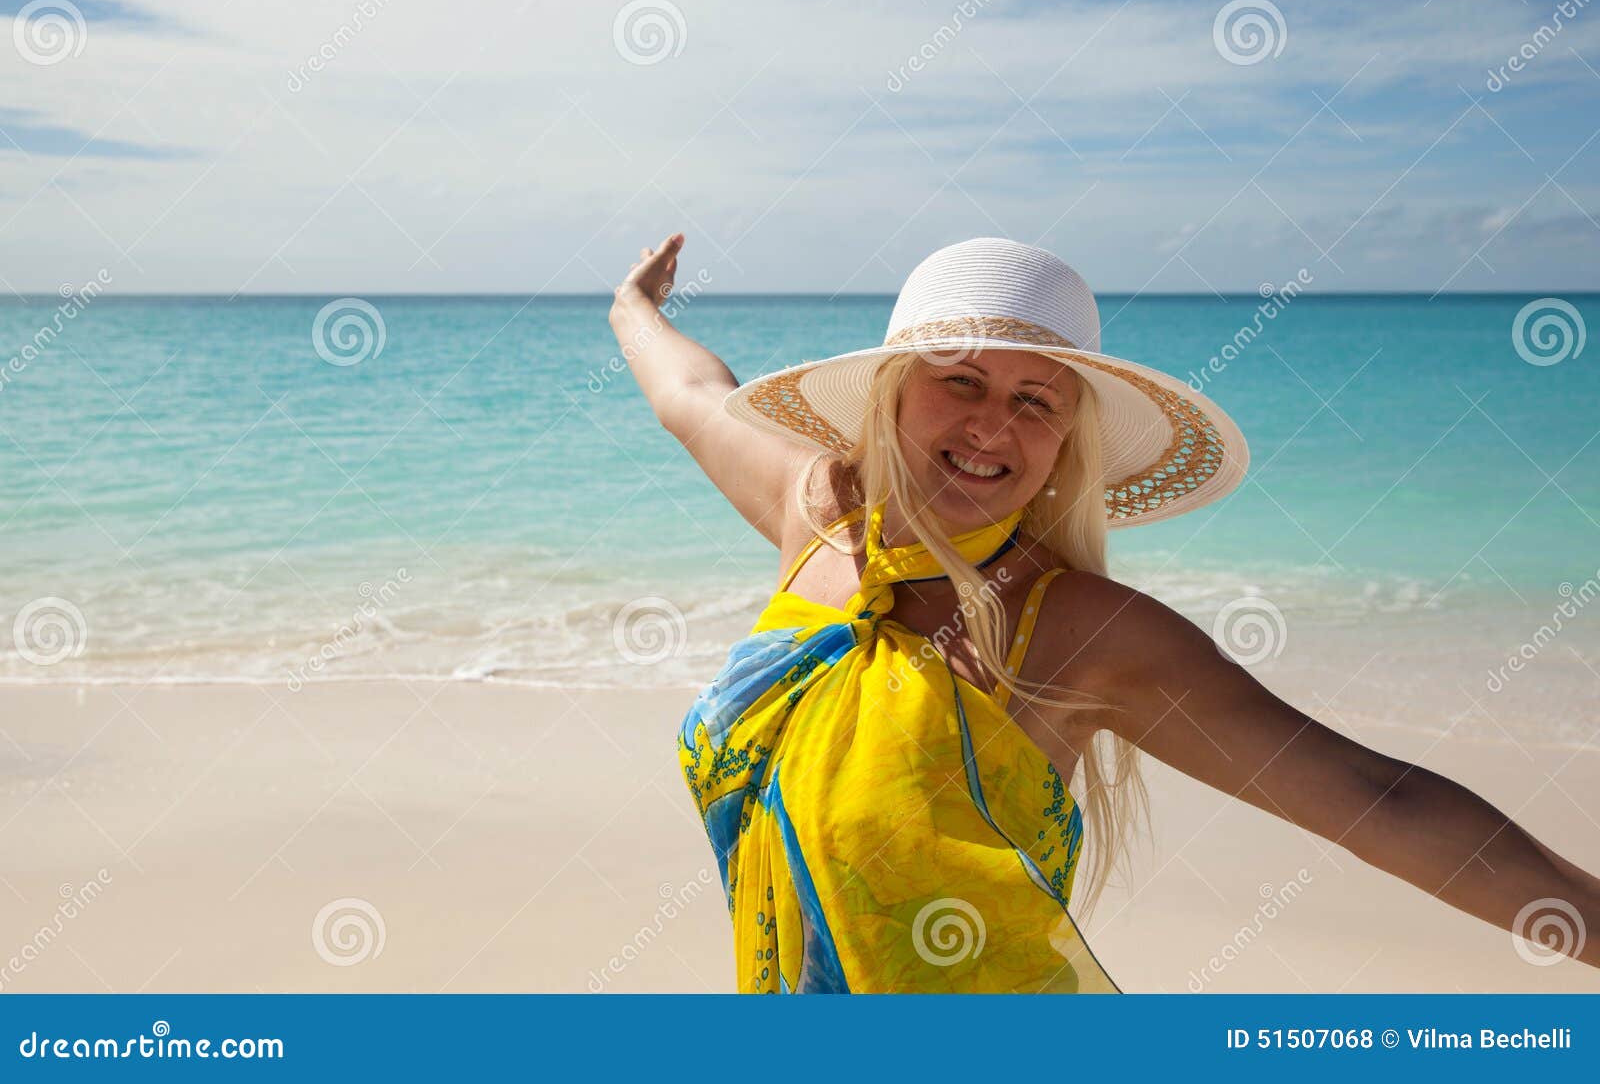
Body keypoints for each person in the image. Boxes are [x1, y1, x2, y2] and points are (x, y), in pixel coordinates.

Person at [608, 232, 1600, 993]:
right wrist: (630, 307)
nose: (993, 423)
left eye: (1037, 400)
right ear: (888, 393)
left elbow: (1374, 797)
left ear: (1068, 440)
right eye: (960, 380)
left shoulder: (1073, 628)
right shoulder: (817, 521)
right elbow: (694, 394)